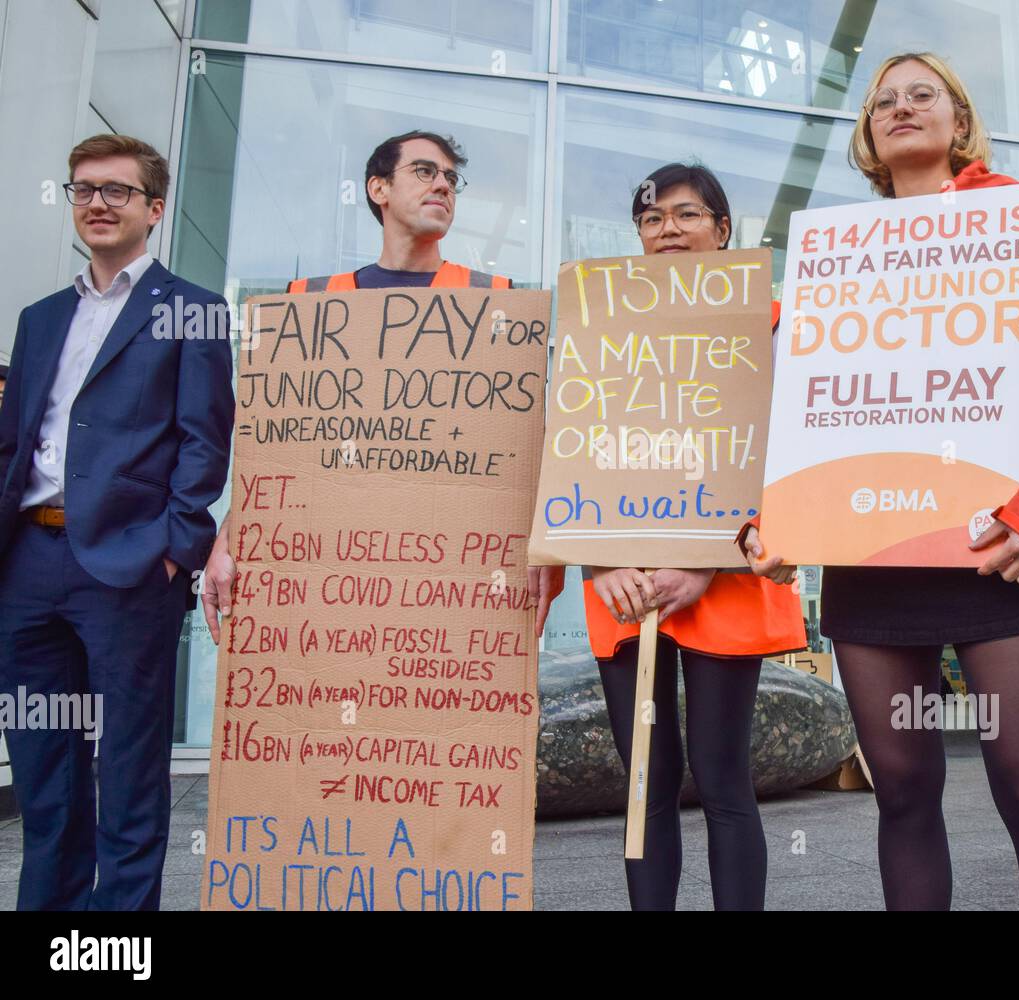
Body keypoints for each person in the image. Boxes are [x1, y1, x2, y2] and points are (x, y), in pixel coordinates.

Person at [745, 52, 1019, 910]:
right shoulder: (831, 257)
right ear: (869, 135)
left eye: (922, 95)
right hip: (872, 553)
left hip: (995, 542)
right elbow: (791, 401)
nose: (901, 107)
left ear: (957, 119)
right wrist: (776, 518)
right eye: (883, 102)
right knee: (901, 795)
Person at [201, 129, 565, 637]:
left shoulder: (496, 303)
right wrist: (230, 536)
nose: (442, 185)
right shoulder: (310, 306)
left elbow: (525, 446)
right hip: (330, 571)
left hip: (456, 577)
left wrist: (548, 546)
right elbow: (275, 452)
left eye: (451, 179)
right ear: (378, 189)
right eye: (424, 171)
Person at [0, 134, 235, 909]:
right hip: (28, 564)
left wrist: (175, 549)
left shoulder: (193, 311)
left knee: (130, 773)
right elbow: (15, 440)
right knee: (45, 775)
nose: (96, 203)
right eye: (83, 189)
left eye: (116, 191)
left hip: (131, 569)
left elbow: (205, 442)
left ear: (154, 208)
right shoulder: (39, 318)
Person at [584, 162, 805, 911]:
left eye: (686, 214)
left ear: (723, 230)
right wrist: (596, 560)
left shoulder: (773, 325)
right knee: (644, 778)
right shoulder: (600, 322)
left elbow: (788, 457)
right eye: (651, 218)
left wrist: (709, 565)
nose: (668, 229)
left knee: (721, 778)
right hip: (623, 581)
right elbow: (573, 449)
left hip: (725, 584)